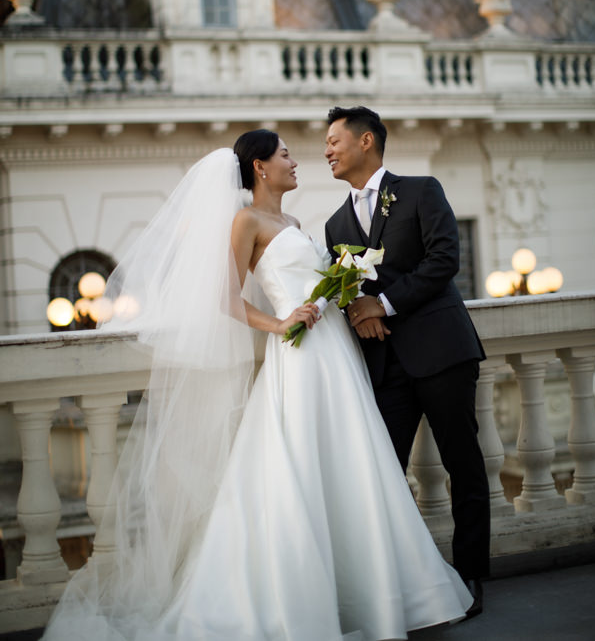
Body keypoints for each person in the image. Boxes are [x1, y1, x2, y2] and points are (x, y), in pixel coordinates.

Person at [44, 130, 472, 641]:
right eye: (286, 154)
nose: (297, 161)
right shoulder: (245, 221)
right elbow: (223, 298)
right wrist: (281, 323)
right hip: (301, 358)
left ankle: (379, 594)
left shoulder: (293, 222)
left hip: (338, 358)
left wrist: (351, 295)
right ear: (260, 168)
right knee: (299, 470)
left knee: (351, 464)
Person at [324, 106, 490, 619]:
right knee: (384, 473)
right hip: (384, 367)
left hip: (441, 353)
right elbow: (348, 290)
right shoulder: (334, 225)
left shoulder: (421, 190)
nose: (326, 150)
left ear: (366, 140)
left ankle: (470, 575)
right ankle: (403, 580)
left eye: (334, 140)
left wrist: (385, 304)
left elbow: (444, 259)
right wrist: (359, 310)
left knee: (462, 464)